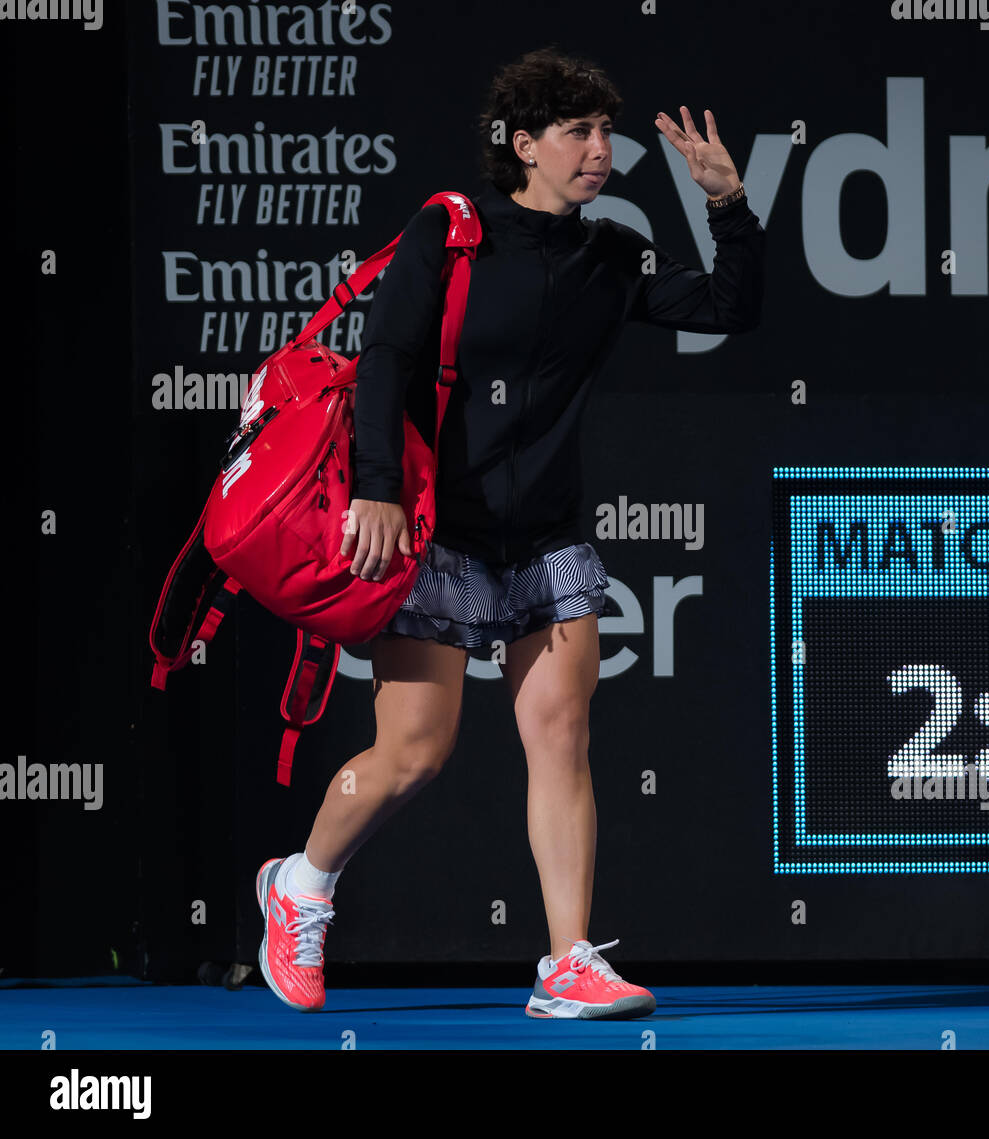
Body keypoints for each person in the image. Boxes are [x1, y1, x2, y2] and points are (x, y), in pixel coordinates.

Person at [255, 46, 764, 1019]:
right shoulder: (449, 232)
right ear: (523, 145)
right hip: (433, 531)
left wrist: (727, 206)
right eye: (577, 132)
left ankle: (566, 959)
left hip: (545, 535)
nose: (599, 150)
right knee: (414, 750)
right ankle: (303, 881)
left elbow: (731, 309)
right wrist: (375, 491)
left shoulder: (611, 252)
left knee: (561, 737)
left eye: (606, 132)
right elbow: (385, 363)